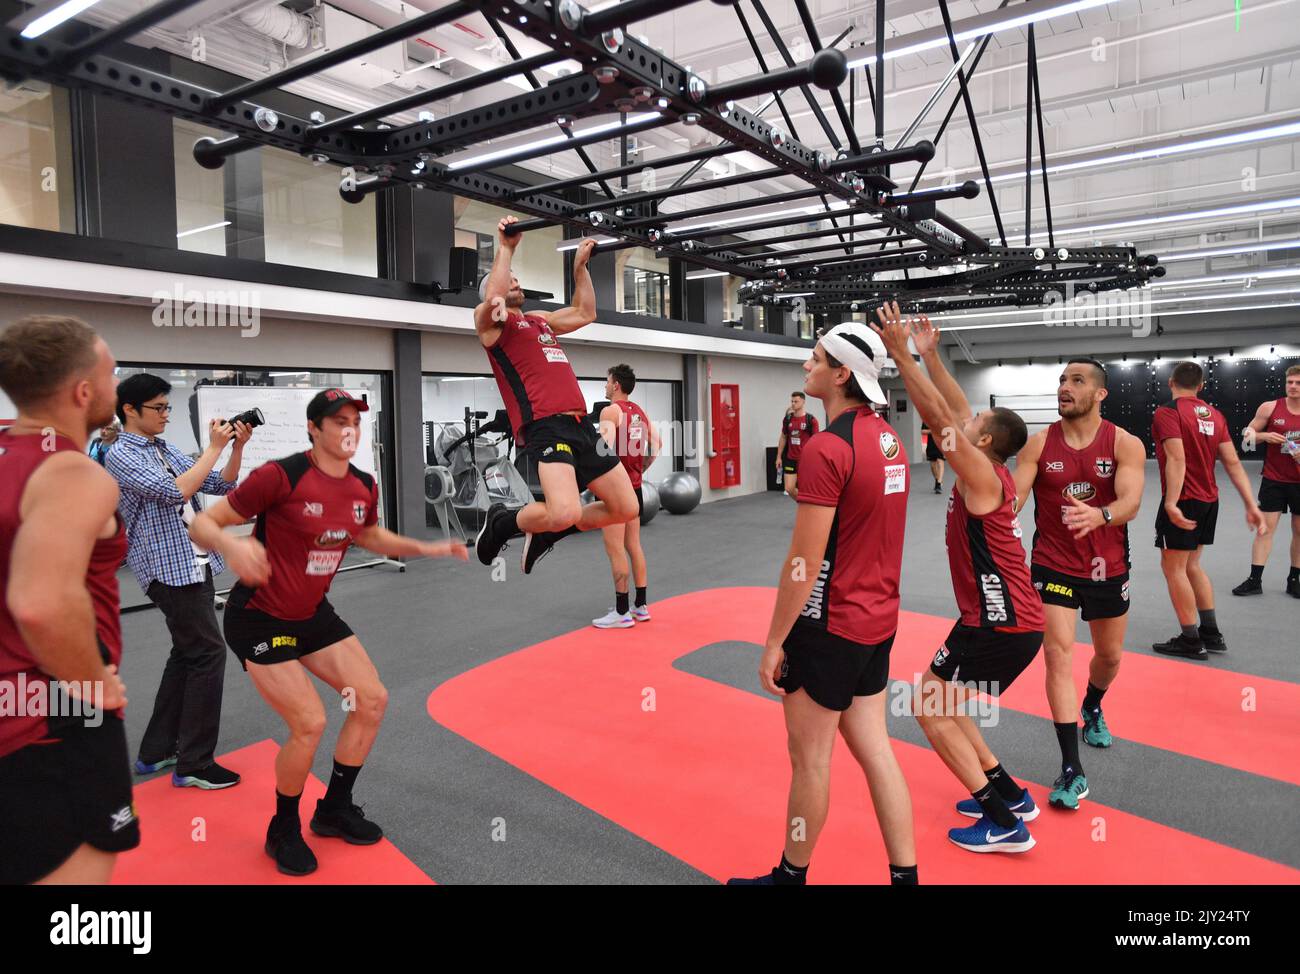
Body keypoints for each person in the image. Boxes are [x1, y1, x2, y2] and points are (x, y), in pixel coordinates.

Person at [188, 389, 468, 876]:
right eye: (336, 421)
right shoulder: (280, 475)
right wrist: (231, 551)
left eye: (353, 421)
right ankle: (283, 828)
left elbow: (369, 537)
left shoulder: (362, 485)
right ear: (313, 429)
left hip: (312, 613)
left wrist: (429, 548)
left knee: (372, 700)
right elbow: (205, 524)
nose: (348, 430)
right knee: (309, 722)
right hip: (259, 616)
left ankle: (334, 809)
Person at [729, 318, 917, 886]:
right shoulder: (889, 439)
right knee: (877, 751)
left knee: (810, 760)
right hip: (877, 623)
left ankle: (790, 877)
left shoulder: (826, 447)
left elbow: (803, 563)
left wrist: (774, 641)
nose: (805, 367)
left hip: (830, 625)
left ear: (842, 374)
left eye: (814, 359)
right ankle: (905, 878)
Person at [873, 305, 1044, 854]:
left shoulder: (977, 472)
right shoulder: (990, 465)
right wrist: (928, 354)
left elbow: (945, 424)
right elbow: (956, 409)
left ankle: (1003, 825)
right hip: (988, 618)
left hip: (1004, 623)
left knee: (929, 707)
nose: (965, 421)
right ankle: (1010, 794)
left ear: (985, 442)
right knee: (943, 699)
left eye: (974, 428)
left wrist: (900, 356)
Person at [0, 315, 136, 885]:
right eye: (110, 371)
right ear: (84, 391)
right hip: (52, 716)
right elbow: (41, 603)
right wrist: (94, 686)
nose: (115, 380)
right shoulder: (72, 472)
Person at [106, 373, 251, 790]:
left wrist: (235, 447)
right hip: (166, 569)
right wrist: (213, 448)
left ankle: (156, 752)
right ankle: (194, 763)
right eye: (159, 408)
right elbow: (172, 492)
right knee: (208, 653)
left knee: (187, 654)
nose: (166, 415)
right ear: (130, 410)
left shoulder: (164, 447)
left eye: (168, 407)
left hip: (195, 561)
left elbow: (220, 482)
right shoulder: (122, 454)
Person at [471, 217, 639, 575]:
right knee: (565, 511)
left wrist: (580, 267)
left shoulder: (538, 319)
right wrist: (506, 248)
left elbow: (585, 312)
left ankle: (547, 535)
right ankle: (504, 522)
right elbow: (494, 297)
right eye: (509, 278)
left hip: (581, 425)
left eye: (516, 277)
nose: (515, 281)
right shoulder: (492, 326)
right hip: (546, 427)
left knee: (626, 507)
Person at [1013, 358, 1145, 811]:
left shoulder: (1125, 443)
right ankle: (1072, 768)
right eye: (1062, 380)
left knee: (1108, 658)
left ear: (1100, 393)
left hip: (1108, 567)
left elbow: (1131, 500)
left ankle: (1093, 705)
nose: (1065, 387)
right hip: (1053, 565)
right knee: (1057, 654)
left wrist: (1101, 515)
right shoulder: (1037, 444)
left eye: (1077, 380)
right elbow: (1014, 498)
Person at [1152, 361, 1267, 659]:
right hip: (1208, 501)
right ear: (1201, 385)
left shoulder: (1168, 412)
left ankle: (1191, 640)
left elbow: (1176, 459)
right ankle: (1211, 634)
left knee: (1173, 568)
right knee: (1192, 565)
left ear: (1170, 382)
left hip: (1184, 500)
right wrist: (1250, 503)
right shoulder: (1214, 415)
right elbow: (1231, 462)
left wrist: (1170, 503)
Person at [592, 364, 662, 629]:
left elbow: (604, 450)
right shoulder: (640, 413)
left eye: (607, 381)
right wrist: (641, 468)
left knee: (615, 548)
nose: (605, 385)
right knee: (634, 545)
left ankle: (621, 611)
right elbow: (657, 446)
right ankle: (640, 606)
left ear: (616, 385)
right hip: (635, 487)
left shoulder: (611, 411)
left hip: (616, 491)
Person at [1233, 364, 1300, 598]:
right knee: (1265, 529)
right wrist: (1263, 435)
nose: (1293, 386)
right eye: (1290, 382)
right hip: (1274, 479)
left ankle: (1295, 579)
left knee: (1299, 531)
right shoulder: (1270, 408)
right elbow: (1247, 436)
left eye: (1298, 383)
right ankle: (1255, 580)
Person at [776, 391, 819, 500]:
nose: (793, 404)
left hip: (805, 459)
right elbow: (783, 437)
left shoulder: (811, 420)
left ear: (803, 402)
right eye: (792, 401)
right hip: (791, 459)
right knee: (789, 488)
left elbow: (816, 441)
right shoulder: (788, 419)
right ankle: (803, 503)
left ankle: (806, 507)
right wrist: (779, 457)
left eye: (796, 401)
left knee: (806, 488)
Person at [921, 420, 946, 494]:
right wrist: (932, 431)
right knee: (933, 466)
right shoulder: (927, 419)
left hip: (941, 444)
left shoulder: (943, 419)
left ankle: (938, 484)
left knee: (940, 462)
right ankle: (938, 479)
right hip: (931, 445)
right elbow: (922, 431)